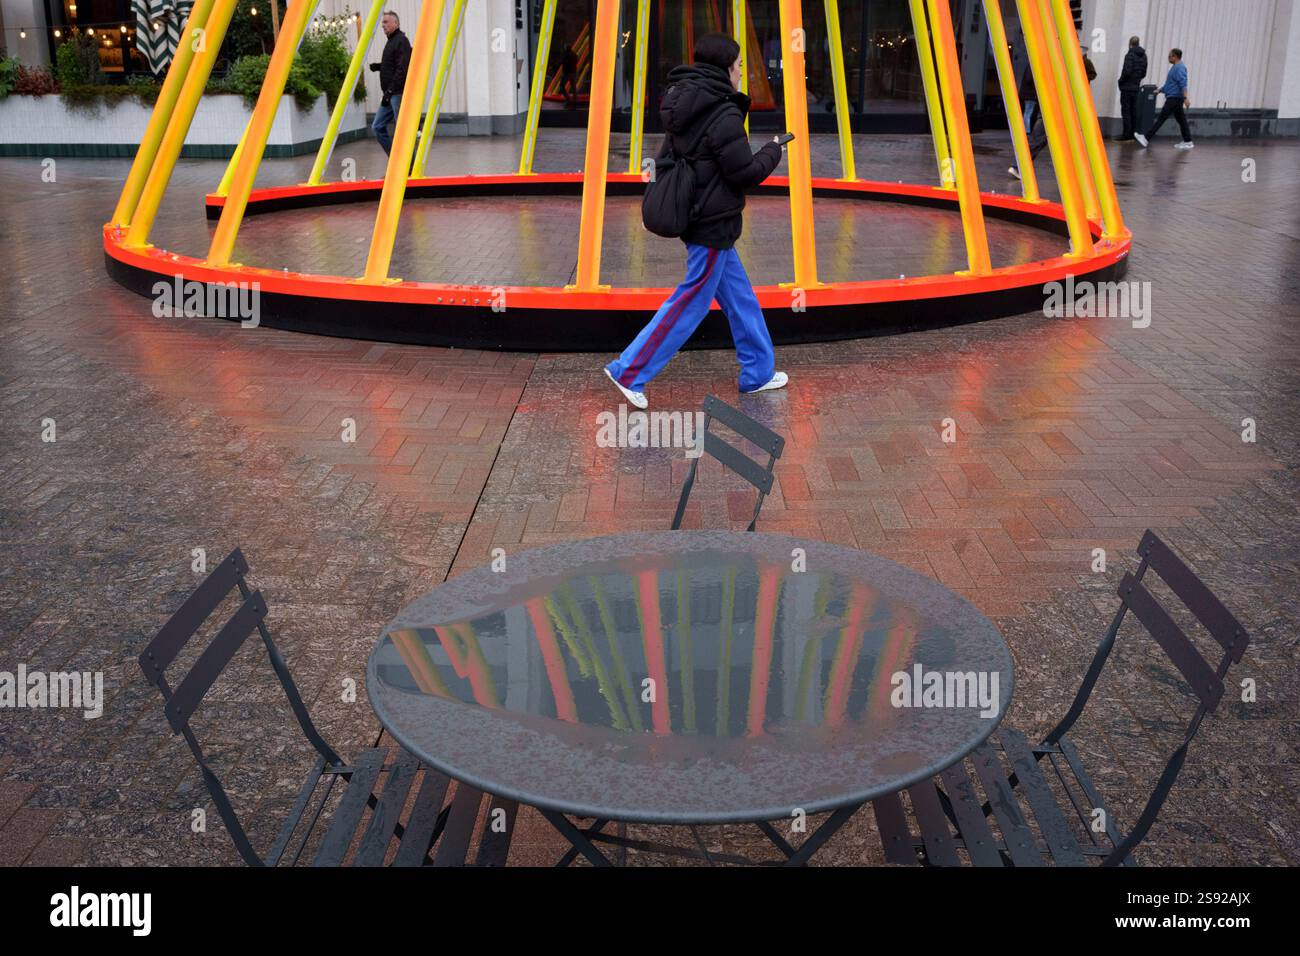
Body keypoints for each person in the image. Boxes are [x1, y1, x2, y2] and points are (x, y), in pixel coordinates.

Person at [604, 33, 787, 410]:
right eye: (738, 67)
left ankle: (759, 373)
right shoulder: (724, 112)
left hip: (699, 215)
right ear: (725, 68)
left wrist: (652, 199)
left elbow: (662, 159)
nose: (741, 74)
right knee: (691, 302)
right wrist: (773, 150)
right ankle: (629, 370)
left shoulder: (684, 98)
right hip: (711, 222)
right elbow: (744, 172)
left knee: (740, 300)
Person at [368, 11, 411, 156]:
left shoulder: (401, 41)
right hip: (389, 94)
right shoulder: (391, 41)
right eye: (382, 22)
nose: (383, 25)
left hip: (396, 93)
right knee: (377, 127)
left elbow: (402, 69)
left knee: (403, 132)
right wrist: (379, 66)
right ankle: (396, 160)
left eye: (386, 22)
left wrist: (390, 91)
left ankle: (408, 165)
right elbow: (393, 64)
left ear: (396, 23)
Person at [1136, 48, 1192, 149]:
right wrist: (1160, 90)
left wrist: (1185, 98)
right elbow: (1170, 84)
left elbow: (1183, 84)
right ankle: (1188, 141)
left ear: (1175, 56)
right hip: (1175, 99)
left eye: (1170, 56)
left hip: (1174, 99)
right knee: (1182, 120)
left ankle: (1146, 139)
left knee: (1161, 119)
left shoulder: (1179, 68)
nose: (1168, 58)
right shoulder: (1175, 67)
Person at [1116, 35, 1148, 141]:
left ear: (1130, 44)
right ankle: (1133, 133)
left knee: (1126, 111)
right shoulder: (1144, 56)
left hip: (1126, 87)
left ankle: (1126, 135)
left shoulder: (1129, 55)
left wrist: (1120, 81)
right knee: (1133, 110)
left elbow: (1127, 71)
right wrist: (1137, 80)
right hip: (1135, 87)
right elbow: (1144, 73)